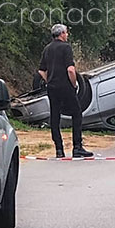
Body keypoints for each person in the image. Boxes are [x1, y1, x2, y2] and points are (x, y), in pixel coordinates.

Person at [38, 24, 93, 158]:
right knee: (77, 113)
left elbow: (41, 71)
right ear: (62, 34)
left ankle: (59, 149)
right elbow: (70, 69)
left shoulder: (47, 49)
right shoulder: (66, 47)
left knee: (55, 116)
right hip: (66, 86)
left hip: (52, 88)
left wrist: (49, 80)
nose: (67, 35)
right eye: (66, 33)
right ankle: (77, 147)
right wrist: (73, 84)